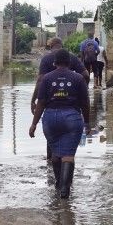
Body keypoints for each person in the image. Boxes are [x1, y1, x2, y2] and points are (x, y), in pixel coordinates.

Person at [29, 49, 90, 198]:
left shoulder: (46, 78)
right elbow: (85, 103)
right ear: (70, 63)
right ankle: (65, 190)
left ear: (54, 63)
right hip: (72, 117)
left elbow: (41, 103)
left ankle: (58, 183)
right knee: (68, 155)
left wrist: (34, 124)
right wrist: (87, 122)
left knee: (56, 154)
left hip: (50, 118)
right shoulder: (78, 78)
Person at [31, 37, 90, 164]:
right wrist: (82, 90)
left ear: (51, 46)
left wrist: (33, 100)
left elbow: (40, 81)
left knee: (52, 139)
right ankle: (65, 180)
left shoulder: (46, 59)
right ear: (61, 44)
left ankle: (51, 168)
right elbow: (86, 75)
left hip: (51, 108)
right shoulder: (72, 58)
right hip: (71, 109)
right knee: (69, 145)